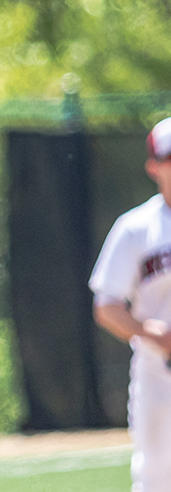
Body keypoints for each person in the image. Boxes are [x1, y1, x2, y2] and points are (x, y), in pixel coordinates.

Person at [89, 116, 171, 491]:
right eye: (170, 158)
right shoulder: (136, 227)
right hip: (160, 374)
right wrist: (146, 331)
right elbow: (107, 305)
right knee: (156, 479)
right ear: (153, 166)